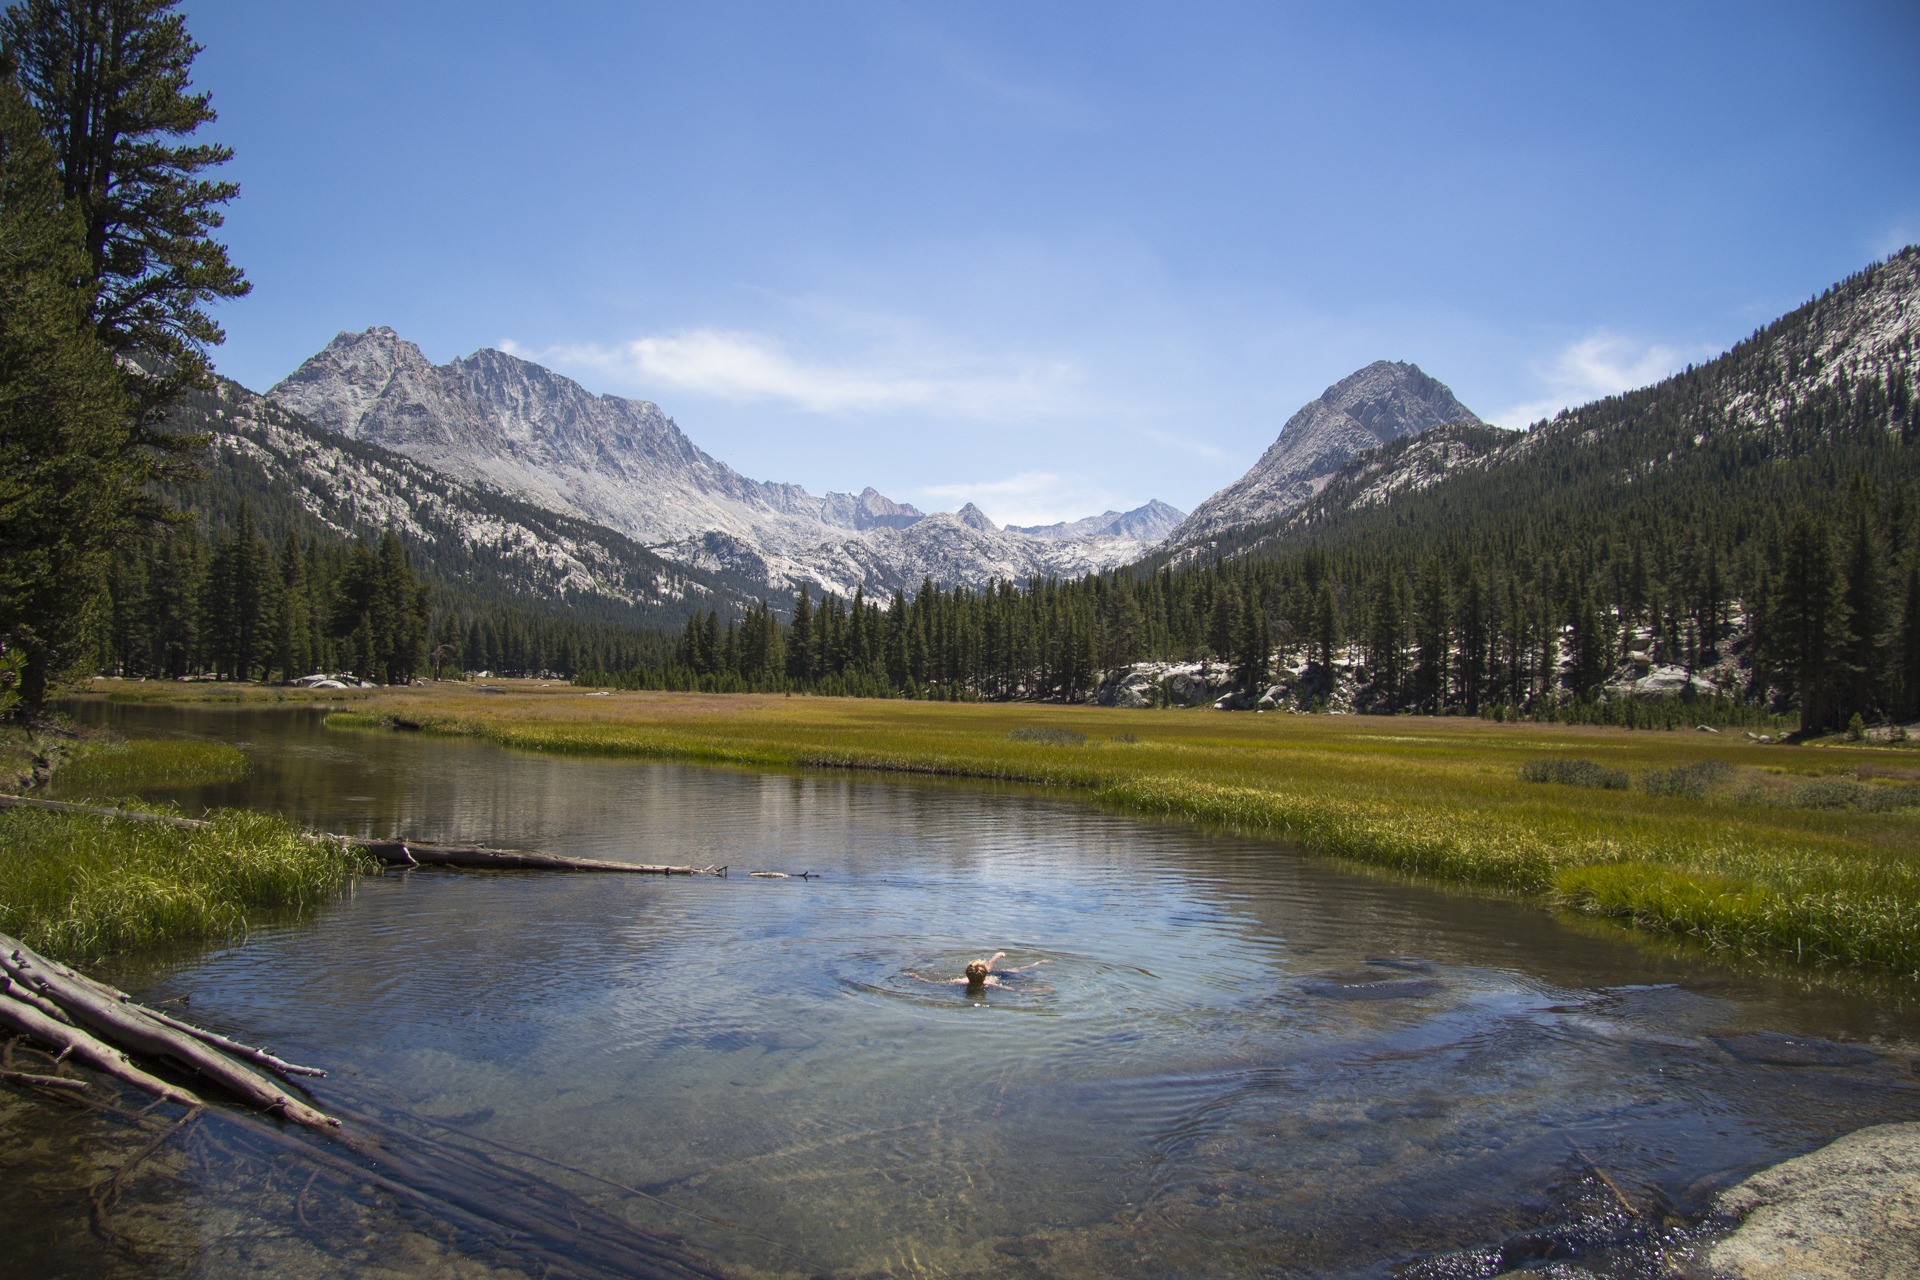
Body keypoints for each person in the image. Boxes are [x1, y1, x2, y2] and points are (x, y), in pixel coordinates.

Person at [907, 952, 1046, 993]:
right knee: (1016, 970)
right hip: (997, 977)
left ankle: (995, 957)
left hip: (986, 975)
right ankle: (1038, 964)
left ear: (967, 973)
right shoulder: (990, 984)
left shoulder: (959, 982)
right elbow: (1016, 990)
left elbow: (933, 983)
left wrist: (916, 977)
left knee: (993, 968)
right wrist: (1041, 990)